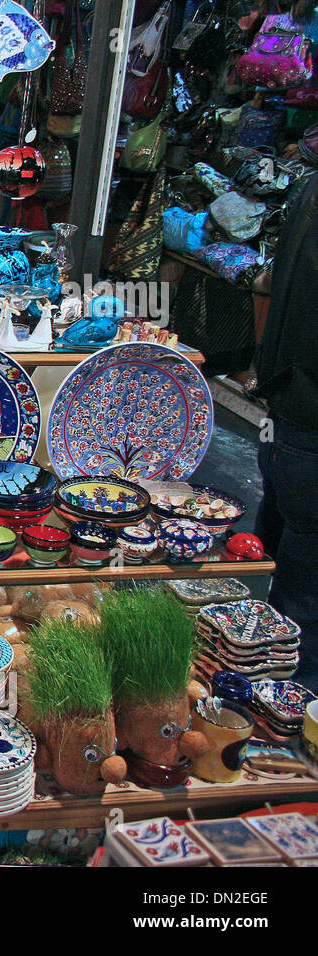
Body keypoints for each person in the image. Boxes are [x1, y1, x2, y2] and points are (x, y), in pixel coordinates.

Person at [253, 172, 318, 690]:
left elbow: (266, 284)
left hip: (287, 404)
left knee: (268, 561)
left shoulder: (309, 190)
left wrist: (264, 369)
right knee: (303, 599)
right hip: (307, 415)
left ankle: (251, 682)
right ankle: (293, 705)